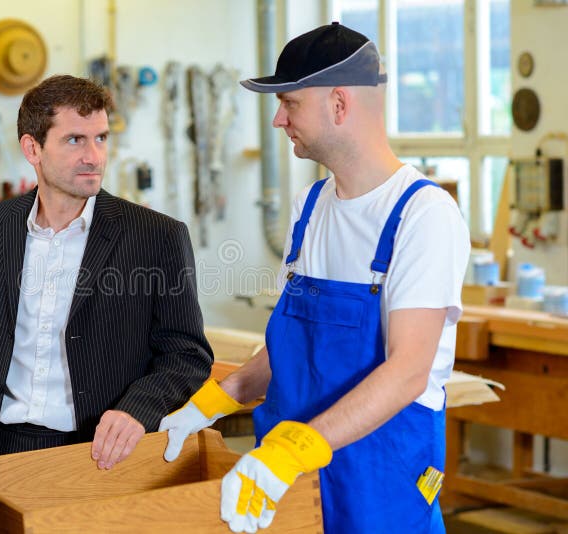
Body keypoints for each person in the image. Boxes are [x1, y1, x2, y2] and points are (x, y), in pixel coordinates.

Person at [159, 23, 470, 533]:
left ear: (339, 104)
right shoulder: (309, 209)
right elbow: (292, 348)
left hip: (380, 477)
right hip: (294, 476)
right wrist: (216, 399)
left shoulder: (422, 214)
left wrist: (291, 450)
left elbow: (409, 369)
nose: (279, 120)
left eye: (289, 103)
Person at [0, 75, 212, 470]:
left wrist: (137, 411)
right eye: (74, 140)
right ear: (32, 148)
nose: (94, 156)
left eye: (100, 138)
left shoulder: (157, 236)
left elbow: (187, 354)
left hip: (98, 453)